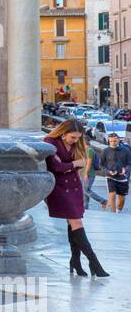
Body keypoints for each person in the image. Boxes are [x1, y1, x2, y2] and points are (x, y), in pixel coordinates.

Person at [45, 119, 109, 278]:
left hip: (74, 186)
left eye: (78, 138)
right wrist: (74, 164)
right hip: (59, 188)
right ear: (63, 132)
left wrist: (70, 165)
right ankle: (94, 263)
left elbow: (72, 165)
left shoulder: (76, 143)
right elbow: (56, 167)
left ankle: (75, 261)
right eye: (72, 137)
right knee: (76, 222)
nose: (75, 141)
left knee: (73, 223)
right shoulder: (50, 141)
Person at [102, 130, 131, 214]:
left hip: (123, 177)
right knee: (112, 194)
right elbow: (101, 165)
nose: (113, 142)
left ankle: (118, 211)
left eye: (114, 140)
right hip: (110, 176)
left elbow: (129, 163)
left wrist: (126, 169)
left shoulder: (126, 150)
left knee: (122, 198)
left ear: (118, 140)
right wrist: (108, 171)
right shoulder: (105, 151)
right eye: (110, 141)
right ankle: (113, 214)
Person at [83, 130, 107, 211]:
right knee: (85, 191)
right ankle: (85, 207)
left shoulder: (89, 150)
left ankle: (102, 201)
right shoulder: (85, 150)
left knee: (85, 190)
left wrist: (86, 174)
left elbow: (89, 163)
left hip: (89, 174)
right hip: (84, 173)